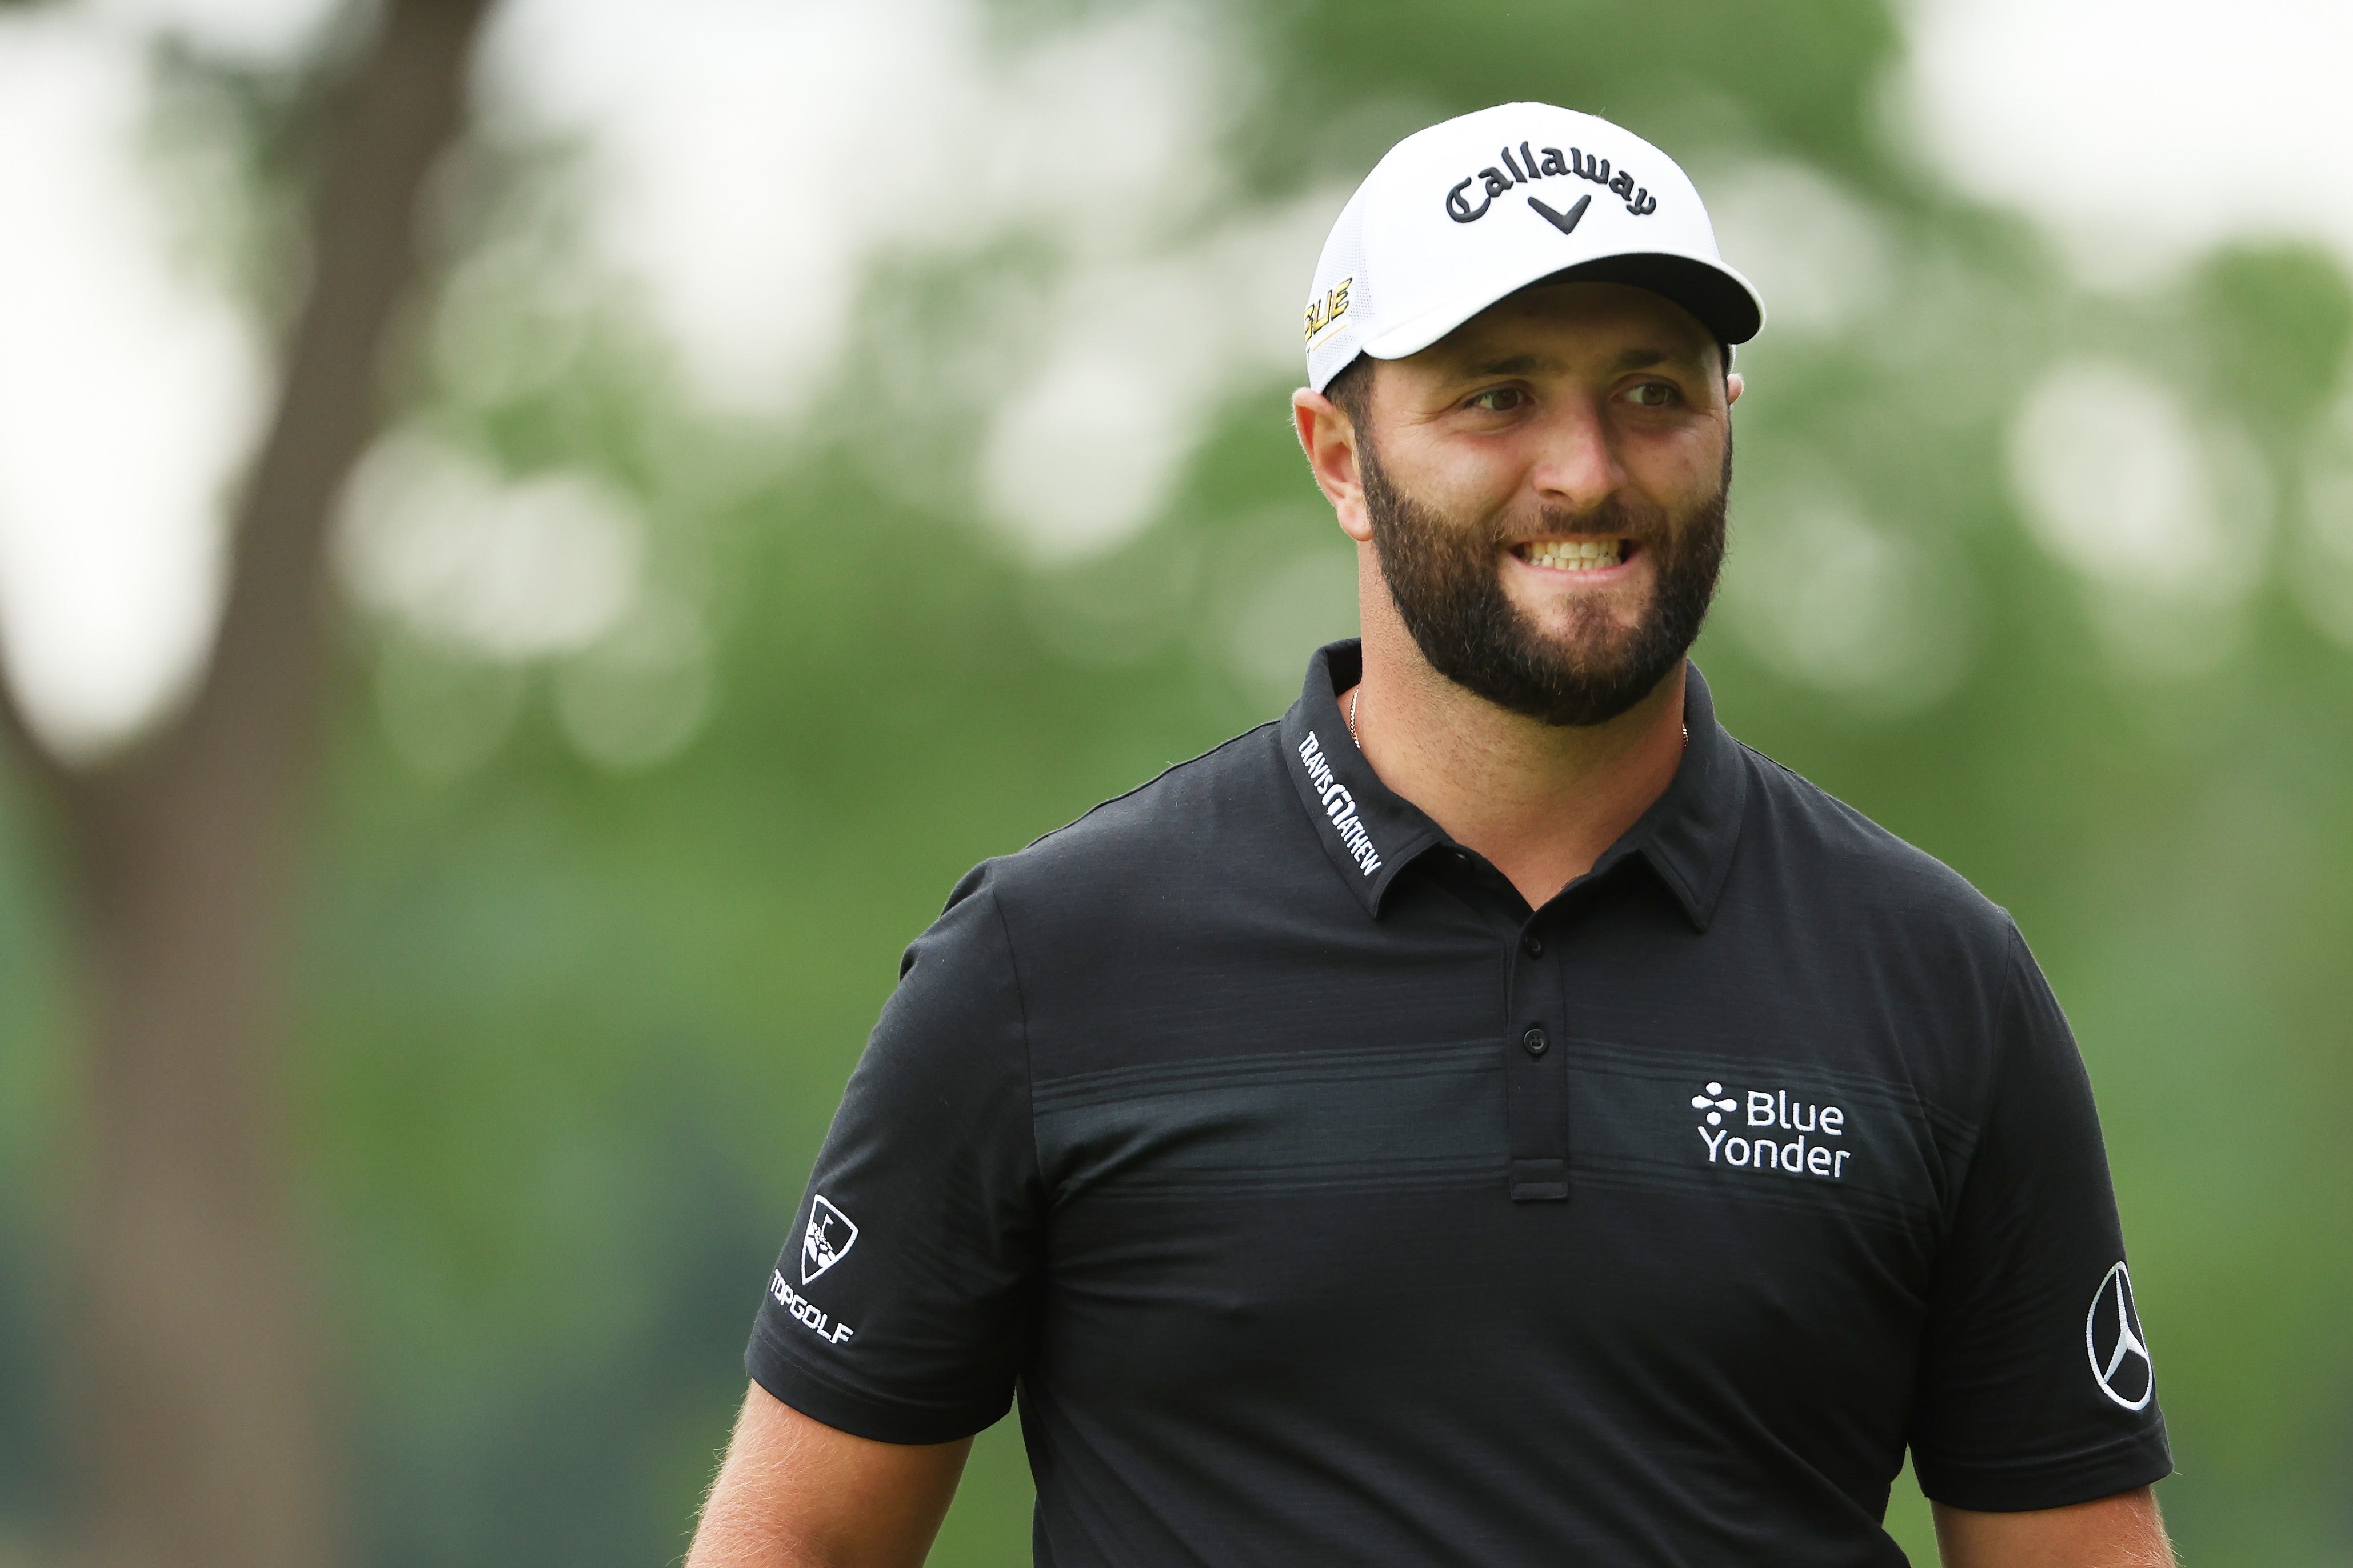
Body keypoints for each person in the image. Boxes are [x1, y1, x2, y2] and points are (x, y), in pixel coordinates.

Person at [686, 102, 2174, 1567]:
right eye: (1496, 397)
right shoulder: (1045, 963)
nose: (1585, 469)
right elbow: (795, 1542)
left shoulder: (1938, 979)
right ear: (1339, 455)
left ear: (1727, 419)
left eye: (1650, 391)